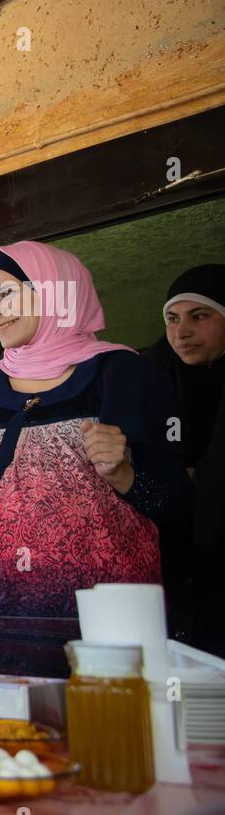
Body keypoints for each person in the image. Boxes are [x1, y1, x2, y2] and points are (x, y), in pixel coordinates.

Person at [0, 242, 191, 677]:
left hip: (108, 630)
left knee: (107, 737)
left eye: (7, 294)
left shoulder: (125, 376)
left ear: (56, 292)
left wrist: (124, 475)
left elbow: (180, 508)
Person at [143, 263, 225, 652]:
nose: (182, 332)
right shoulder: (151, 379)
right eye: (172, 319)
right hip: (171, 564)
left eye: (200, 316)